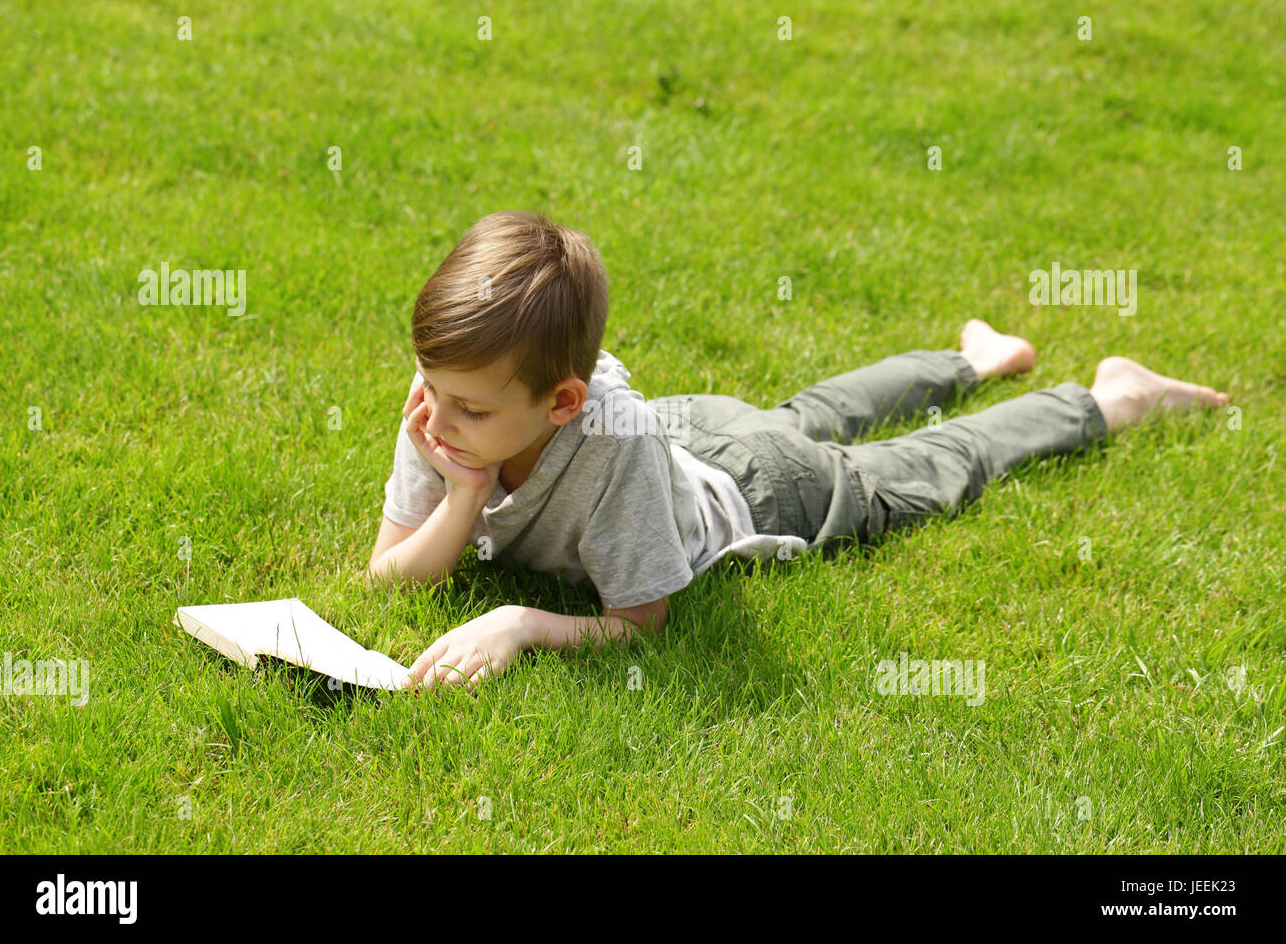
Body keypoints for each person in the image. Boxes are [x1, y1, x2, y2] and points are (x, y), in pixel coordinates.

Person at [369, 211, 1228, 693]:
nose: (435, 420)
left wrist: (521, 623)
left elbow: (641, 623)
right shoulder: (452, 403)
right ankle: (973, 357)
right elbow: (386, 575)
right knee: (805, 410)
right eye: (430, 387)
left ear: (562, 403)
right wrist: (462, 495)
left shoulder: (606, 452)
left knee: (915, 470)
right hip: (693, 428)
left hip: (758, 487)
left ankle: (1110, 396)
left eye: (469, 410)